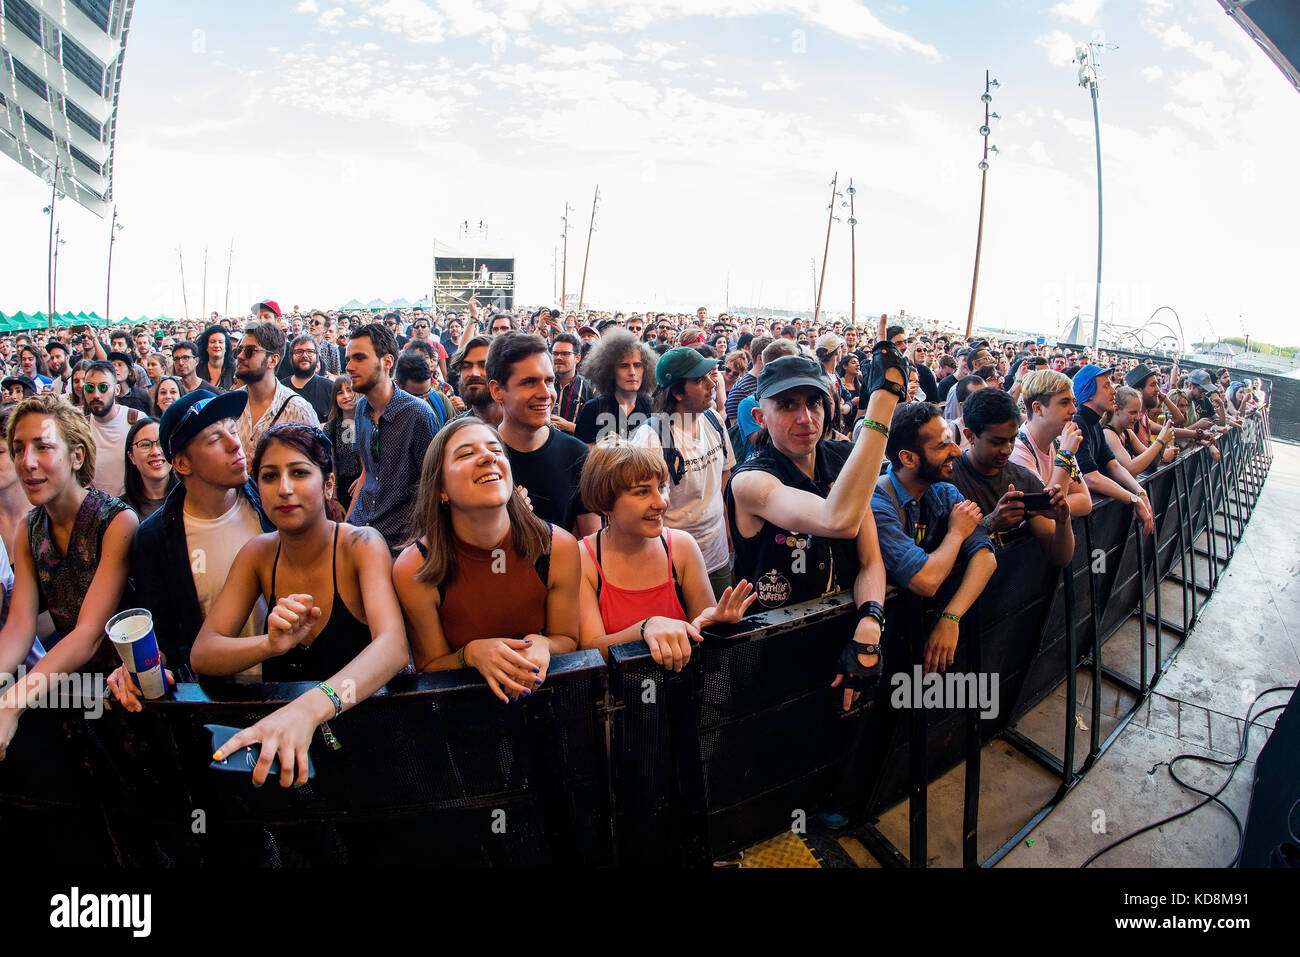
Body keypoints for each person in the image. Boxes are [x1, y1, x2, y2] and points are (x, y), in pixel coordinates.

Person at [186, 424, 408, 786]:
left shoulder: (361, 545)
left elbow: (394, 647)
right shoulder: (257, 554)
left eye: (300, 472)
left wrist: (307, 710)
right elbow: (204, 653)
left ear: (328, 484)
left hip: (370, 746)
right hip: (291, 757)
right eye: (269, 476)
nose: (284, 489)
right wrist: (269, 645)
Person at [727, 343, 908, 711]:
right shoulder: (751, 481)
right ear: (761, 417)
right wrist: (884, 402)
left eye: (814, 402)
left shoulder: (843, 460)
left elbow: (870, 559)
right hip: (772, 657)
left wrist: (870, 620)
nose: (806, 417)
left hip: (844, 640)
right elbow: (836, 520)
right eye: (787, 405)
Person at [391, 418, 581, 703]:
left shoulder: (558, 547)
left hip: (545, 706)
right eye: (466, 453)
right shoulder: (414, 568)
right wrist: (471, 655)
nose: (489, 457)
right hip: (464, 719)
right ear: (441, 489)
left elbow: (568, 639)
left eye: (495, 450)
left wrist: (543, 644)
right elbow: (429, 667)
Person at [0, 395, 138, 760]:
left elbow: (90, 633)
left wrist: (12, 703)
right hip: (72, 686)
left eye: (43, 447)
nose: (26, 462)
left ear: (77, 456)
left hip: (133, 688)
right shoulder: (29, 529)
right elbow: (18, 626)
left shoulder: (116, 521)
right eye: (17, 449)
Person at [119, 389, 274, 683]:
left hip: (286, 691)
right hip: (213, 704)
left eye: (232, 430)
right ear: (182, 464)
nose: (235, 445)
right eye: (215, 439)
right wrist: (138, 670)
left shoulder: (272, 505)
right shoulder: (155, 539)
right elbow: (163, 638)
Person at [576, 441, 756, 670]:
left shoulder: (682, 547)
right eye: (642, 492)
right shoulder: (583, 558)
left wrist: (716, 622)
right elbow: (590, 649)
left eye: (661, 487)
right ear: (605, 502)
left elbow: (702, 628)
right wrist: (647, 627)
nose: (661, 502)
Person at [872, 402, 997, 674]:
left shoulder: (944, 492)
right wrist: (956, 533)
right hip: (883, 653)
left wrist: (951, 617)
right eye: (942, 446)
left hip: (923, 645)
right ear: (908, 458)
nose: (956, 452)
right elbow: (925, 580)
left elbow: (986, 559)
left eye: (951, 442)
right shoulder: (878, 505)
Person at [632, 347, 735, 598]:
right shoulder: (651, 438)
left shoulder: (713, 420)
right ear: (677, 392)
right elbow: (638, 507)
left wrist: (728, 528)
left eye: (710, 376)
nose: (712, 384)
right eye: (700, 380)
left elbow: (724, 474)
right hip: (670, 561)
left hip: (717, 552)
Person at [487, 333, 599, 535]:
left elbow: (590, 544)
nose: (546, 394)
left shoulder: (576, 454)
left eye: (549, 381)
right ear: (497, 391)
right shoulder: (483, 457)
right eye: (529, 382)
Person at [949, 388, 1074, 564]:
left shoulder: (1023, 479)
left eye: (1012, 439)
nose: (1007, 450)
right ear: (970, 436)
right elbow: (935, 551)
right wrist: (990, 523)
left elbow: (1060, 557)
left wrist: (1063, 521)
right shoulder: (947, 477)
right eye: (996, 442)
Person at [345, 323, 436, 555]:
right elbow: (366, 473)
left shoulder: (419, 415)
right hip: (359, 531)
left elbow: (434, 489)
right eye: (348, 359)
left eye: (359, 358)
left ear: (387, 361)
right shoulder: (362, 408)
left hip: (399, 544)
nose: (349, 367)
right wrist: (344, 529)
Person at [1071, 365, 1156, 537]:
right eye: (1106, 386)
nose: (1113, 392)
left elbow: (1114, 466)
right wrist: (1133, 498)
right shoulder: (1078, 423)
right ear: (1090, 392)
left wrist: (1140, 492)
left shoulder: (1094, 423)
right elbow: (1091, 478)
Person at [1010, 370, 1093, 517]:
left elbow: (1085, 502)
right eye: (1064, 402)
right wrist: (1065, 456)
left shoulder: (1059, 443)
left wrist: (1054, 506)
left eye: (1073, 402)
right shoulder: (1018, 450)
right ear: (1038, 408)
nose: (1073, 410)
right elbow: (1045, 510)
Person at [234, 322, 320, 456]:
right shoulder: (230, 404)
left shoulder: (298, 411)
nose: (240, 356)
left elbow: (318, 466)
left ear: (273, 360)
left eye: (250, 351)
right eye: (238, 350)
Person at [574, 329, 656, 444]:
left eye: (637, 365)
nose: (632, 372)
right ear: (610, 371)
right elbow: (581, 453)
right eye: (624, 366)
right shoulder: (593, 409)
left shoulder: (652, 408)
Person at [83, 360, 143, 498]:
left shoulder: (136, 420)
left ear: (116, 389)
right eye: (90, 388)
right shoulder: (81, 427)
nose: (96, 394)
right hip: (94, 508)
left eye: (103, 387)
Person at [1103, 385, 1176, 476]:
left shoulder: (1127, 432)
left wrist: (1164, 441)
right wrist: (1160, 441)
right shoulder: (1108, 433)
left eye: (1138, 412)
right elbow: (1130, 469)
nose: (1137, 418)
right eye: (1133, 412)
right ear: (1117, 409)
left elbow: (1153, 462)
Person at [122, 416, 179, 520]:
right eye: (145, 445)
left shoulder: (191, 498)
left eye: (161, 443)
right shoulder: (121, 511)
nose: (155, 452)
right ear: (131, 456)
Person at [323, 375, 362, 514]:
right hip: (345, 491)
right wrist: (334, 500)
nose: (346, 396)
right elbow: (331, 467)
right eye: (340, 393)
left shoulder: (369, 420)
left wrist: (363, 479)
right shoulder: (331, 428)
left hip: (369, 486)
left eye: (349, 390)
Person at [549, 333, 594, 436]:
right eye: (555, 353)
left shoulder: (588, 388)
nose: (558, 357)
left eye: (565, 354)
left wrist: (568, 426)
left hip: (575, 449)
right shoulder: (543, 383)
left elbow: (594, 431)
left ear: (577, 358)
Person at [450, 335, 500, 425]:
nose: (474, 373)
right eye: (466, 366)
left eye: (483, 365)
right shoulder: (454, 432)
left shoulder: (526, 427)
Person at [283, 334, 335, 421]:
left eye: (310, 351)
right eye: (299, 351)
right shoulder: (280, 389)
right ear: (291, 358)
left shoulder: (331, 388)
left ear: (317, 357)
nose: (304, 355)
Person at [196, 325, 237, 393]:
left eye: (220, 342)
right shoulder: (197, 370)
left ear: (226, 347)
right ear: (206, 346)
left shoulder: (234, 370)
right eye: (212, 342)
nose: (217, 345)